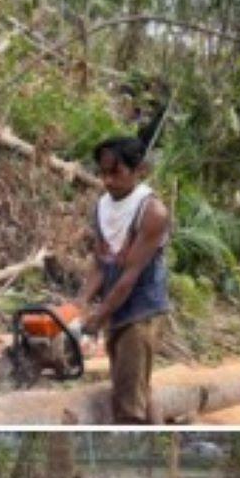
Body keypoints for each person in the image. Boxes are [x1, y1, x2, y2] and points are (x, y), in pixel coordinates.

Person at [78, 136, 172, 425]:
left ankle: (137, 426)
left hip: (141, 311)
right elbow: (99, 263)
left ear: (139, 169)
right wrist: (80, 303)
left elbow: (129, 277)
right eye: (103, 173)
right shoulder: (102, 206)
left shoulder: (152, 212)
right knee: (130, 384)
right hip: (116, 308)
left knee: (129, 400)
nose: (108, 181)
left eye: (116, 173)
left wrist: (98, 318)